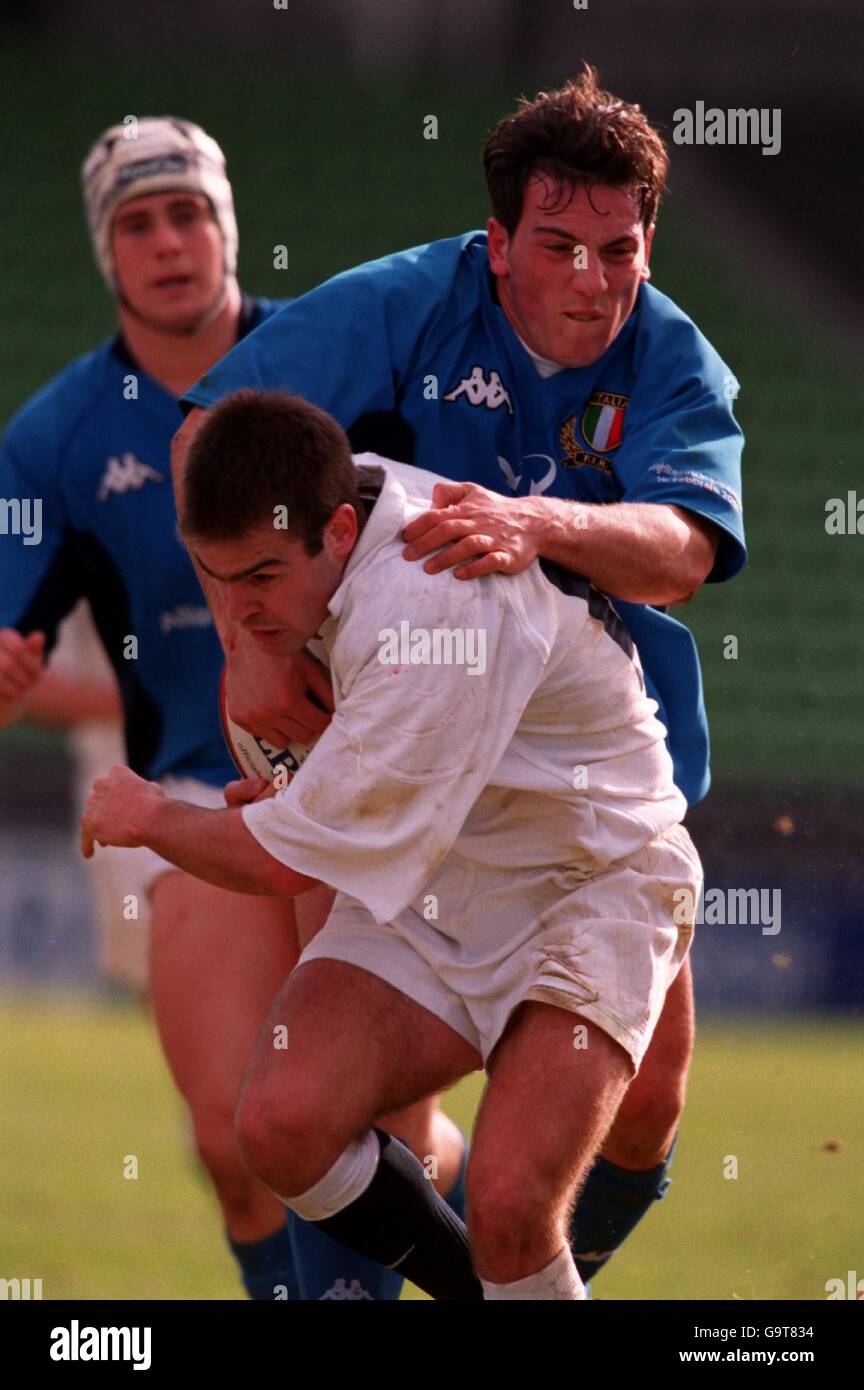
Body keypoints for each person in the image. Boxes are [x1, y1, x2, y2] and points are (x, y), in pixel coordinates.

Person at [171, 68, 746, 1284]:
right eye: (558, 245)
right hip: (382, 745)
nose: (591, 279)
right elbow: (208, 430)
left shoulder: (671, 355)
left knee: (642, 1111)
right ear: (498, 244)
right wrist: (249, 643)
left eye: (618, 248)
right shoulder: (409, 302)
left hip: (593, 780)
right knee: (311, 1102)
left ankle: (514, 1269)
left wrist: (539, 523)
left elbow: (686, 551)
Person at [82, 388, 705, 1301]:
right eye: (217, 578)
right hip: (449, 876)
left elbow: (284, 861)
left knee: (509, 1205)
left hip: (591, 882)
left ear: (338, 532)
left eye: (259, 578)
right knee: (279, 1125)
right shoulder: (345, 501)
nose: (240, 614)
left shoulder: (429, 604)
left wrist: (150, 818)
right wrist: (308, 775)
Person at [0, 117, 463, 1301]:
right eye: (137, 222)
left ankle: (482, 1240)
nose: (169, 241)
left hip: (348, 764)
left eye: (189, 212)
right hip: (196, 783)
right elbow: (14, 624)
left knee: (383, 1125)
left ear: (227, 226)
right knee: (236, 1136)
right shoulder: (54, 437)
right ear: (108, 252)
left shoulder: (340, 358)